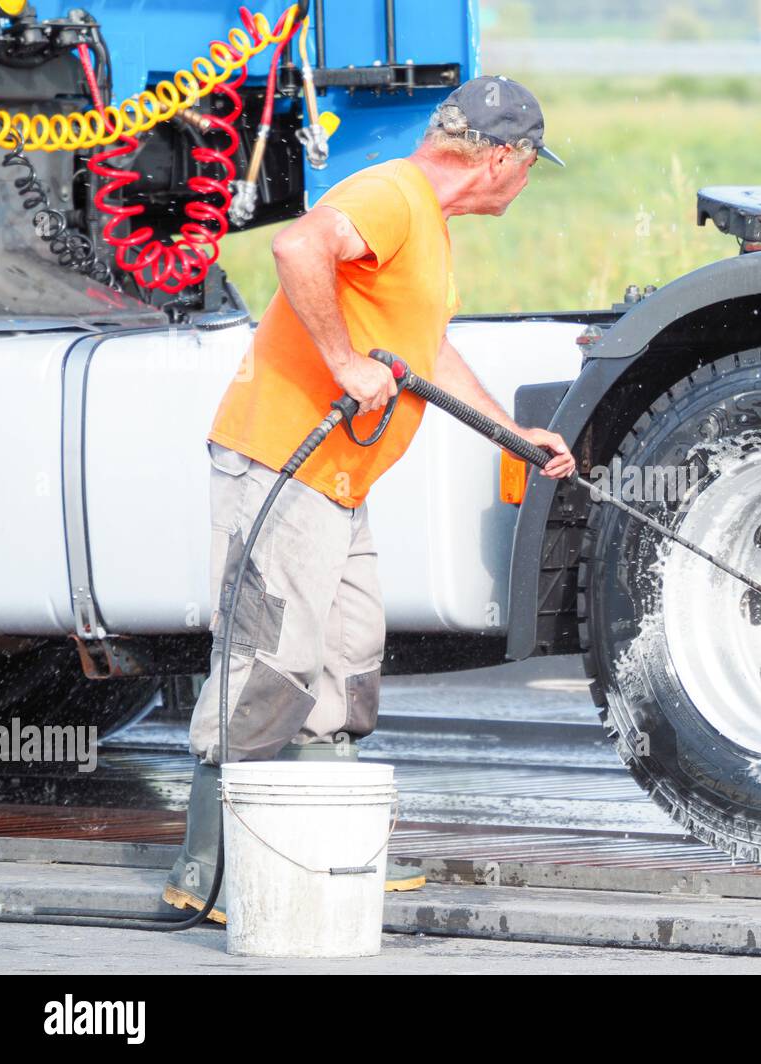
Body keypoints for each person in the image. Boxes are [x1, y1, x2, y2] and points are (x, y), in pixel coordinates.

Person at [164, 76, 575, 921]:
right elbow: (298, 250)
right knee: (268, 660)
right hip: (283, 466)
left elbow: (422, 354)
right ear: (500, 157)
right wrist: (346, 363)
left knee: (343, 663)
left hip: (339, 483)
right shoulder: (393, 194)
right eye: (530, 166)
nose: (529, 184)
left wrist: (512, 435)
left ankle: (326, 856)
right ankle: (205, 874)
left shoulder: (426, 223)